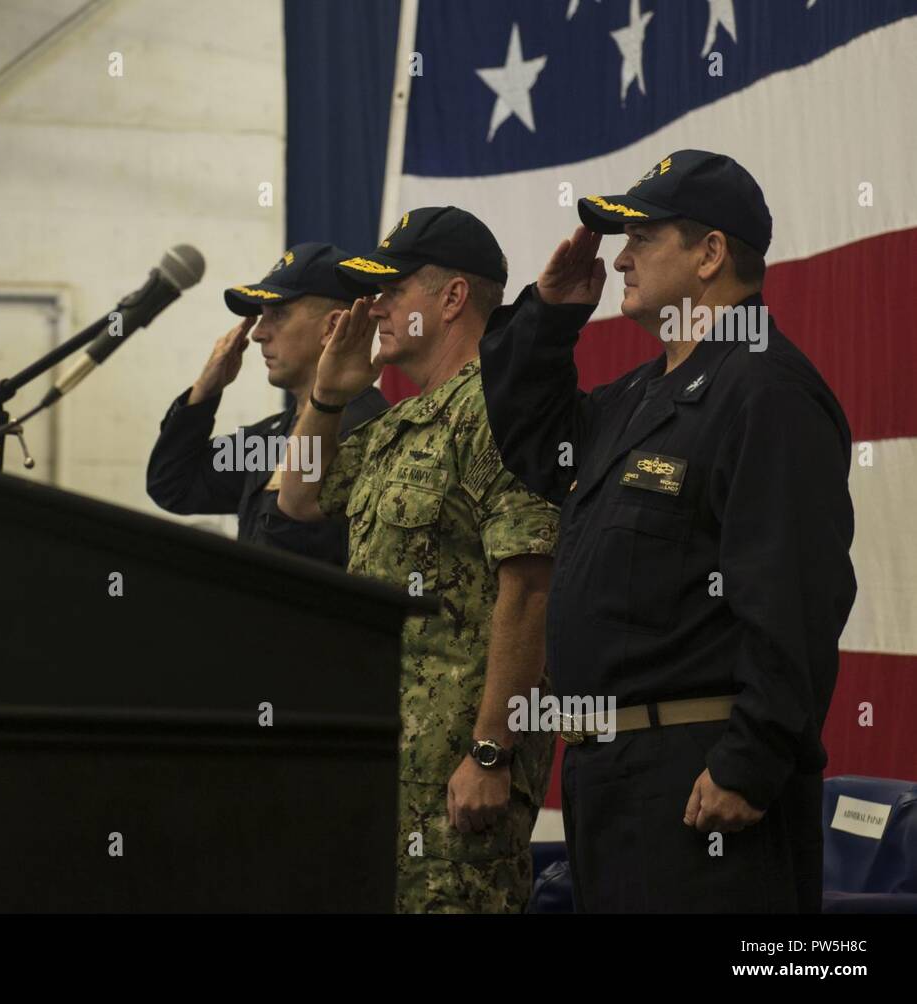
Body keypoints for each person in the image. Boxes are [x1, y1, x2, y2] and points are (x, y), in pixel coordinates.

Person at [477, 150, 856, 912]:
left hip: (696, 780)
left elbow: (795, 598)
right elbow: (535, 443)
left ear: (710, 253)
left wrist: (751, 762)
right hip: (610, 780)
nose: (619, 258)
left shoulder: (766, 390)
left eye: (642, 238)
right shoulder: (643, 395)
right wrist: (549, 317)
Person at [278, 207, 560, 913]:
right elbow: (298, 498)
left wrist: (491, 752)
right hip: (390, 765)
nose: (373, 308)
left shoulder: (499, 410)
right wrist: (327, 396)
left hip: (457, 778)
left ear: (453, 297)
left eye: (392, 290)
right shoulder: (404, 422)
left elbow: (530, 590)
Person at [147, 243, 388, 566]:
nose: (258, 333)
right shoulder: (271, 437)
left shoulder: (373, 431)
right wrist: (205, 391)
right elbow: (173, 485)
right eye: (261, 317)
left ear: (332, 327)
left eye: (278, 314)